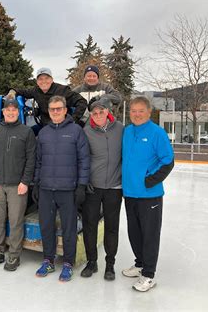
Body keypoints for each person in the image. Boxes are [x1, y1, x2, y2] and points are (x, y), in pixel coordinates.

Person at [32, 95, 90, 282]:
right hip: (46, 189)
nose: (55, 112)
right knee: (47, 226)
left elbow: (84, 160)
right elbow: (38, 161)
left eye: (59, 108)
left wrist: (81, 185)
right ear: (48, 112)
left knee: (68, 228)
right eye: (52, 109)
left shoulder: (76, 131)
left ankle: (68, 262)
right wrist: (36, 183)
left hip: (68, 189)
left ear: (66, 110)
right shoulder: (44, 133)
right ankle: (48, 260)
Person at [121, 96, 174, 292]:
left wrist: (149, 180)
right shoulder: (127, 132)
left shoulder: (157, 133)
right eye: (133, 110)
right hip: (129, 193)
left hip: (149, 195)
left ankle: (149, 274)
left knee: (150, 235)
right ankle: (140, 263)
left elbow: (167, 161)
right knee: (134, 233)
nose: (136, 114)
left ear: (148, 112)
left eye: (140, 110)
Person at [0, 98, 36, 271]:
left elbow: (31, 159)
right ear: (3, 112)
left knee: (15, 221)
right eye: (8, 110)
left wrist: (25, 182)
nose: (11, 112)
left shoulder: (26, 132)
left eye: (14, 110)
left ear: (17, 112)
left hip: (17, 186)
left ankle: (14, 255)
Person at [80, 98, 124, 281]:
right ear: (91, 114)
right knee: (89, 226)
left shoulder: (121, 129)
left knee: (112, 227)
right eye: (94, 113)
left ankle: (110, 264)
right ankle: (92, 262)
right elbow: (82, 158)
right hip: (94, 187)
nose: (98, 115)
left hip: (115, 187)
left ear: (107, 112)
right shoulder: (86, 131)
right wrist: (85, 180)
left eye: (101, 111)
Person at [5, 67, 87, 129]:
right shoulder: (36, 90)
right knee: (30, 132)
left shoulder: (62, 90)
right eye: (40, 79)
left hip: (63, 126)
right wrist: (12, 92)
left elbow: (81, 101)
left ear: (52, 80)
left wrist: (73, 120)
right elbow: (23, 91)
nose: (43, 81)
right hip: (45, 126)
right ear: (37, 82)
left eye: (46, 78)